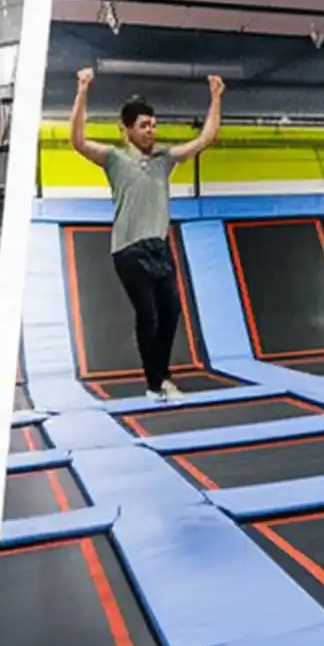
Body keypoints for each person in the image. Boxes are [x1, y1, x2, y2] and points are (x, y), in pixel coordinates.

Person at [68, 67, 224, 401]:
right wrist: (82, 90)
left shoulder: (165, 159)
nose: (150, 131)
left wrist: (216, 96)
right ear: (126, 130)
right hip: (128, 248)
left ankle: (161, 378)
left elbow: (205, 139)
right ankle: (156, 384)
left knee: (171, 312)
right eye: (143, 126)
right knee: (148, 314)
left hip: (158, 247)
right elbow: (77, 142)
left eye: (153, 125)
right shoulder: (114, 159)